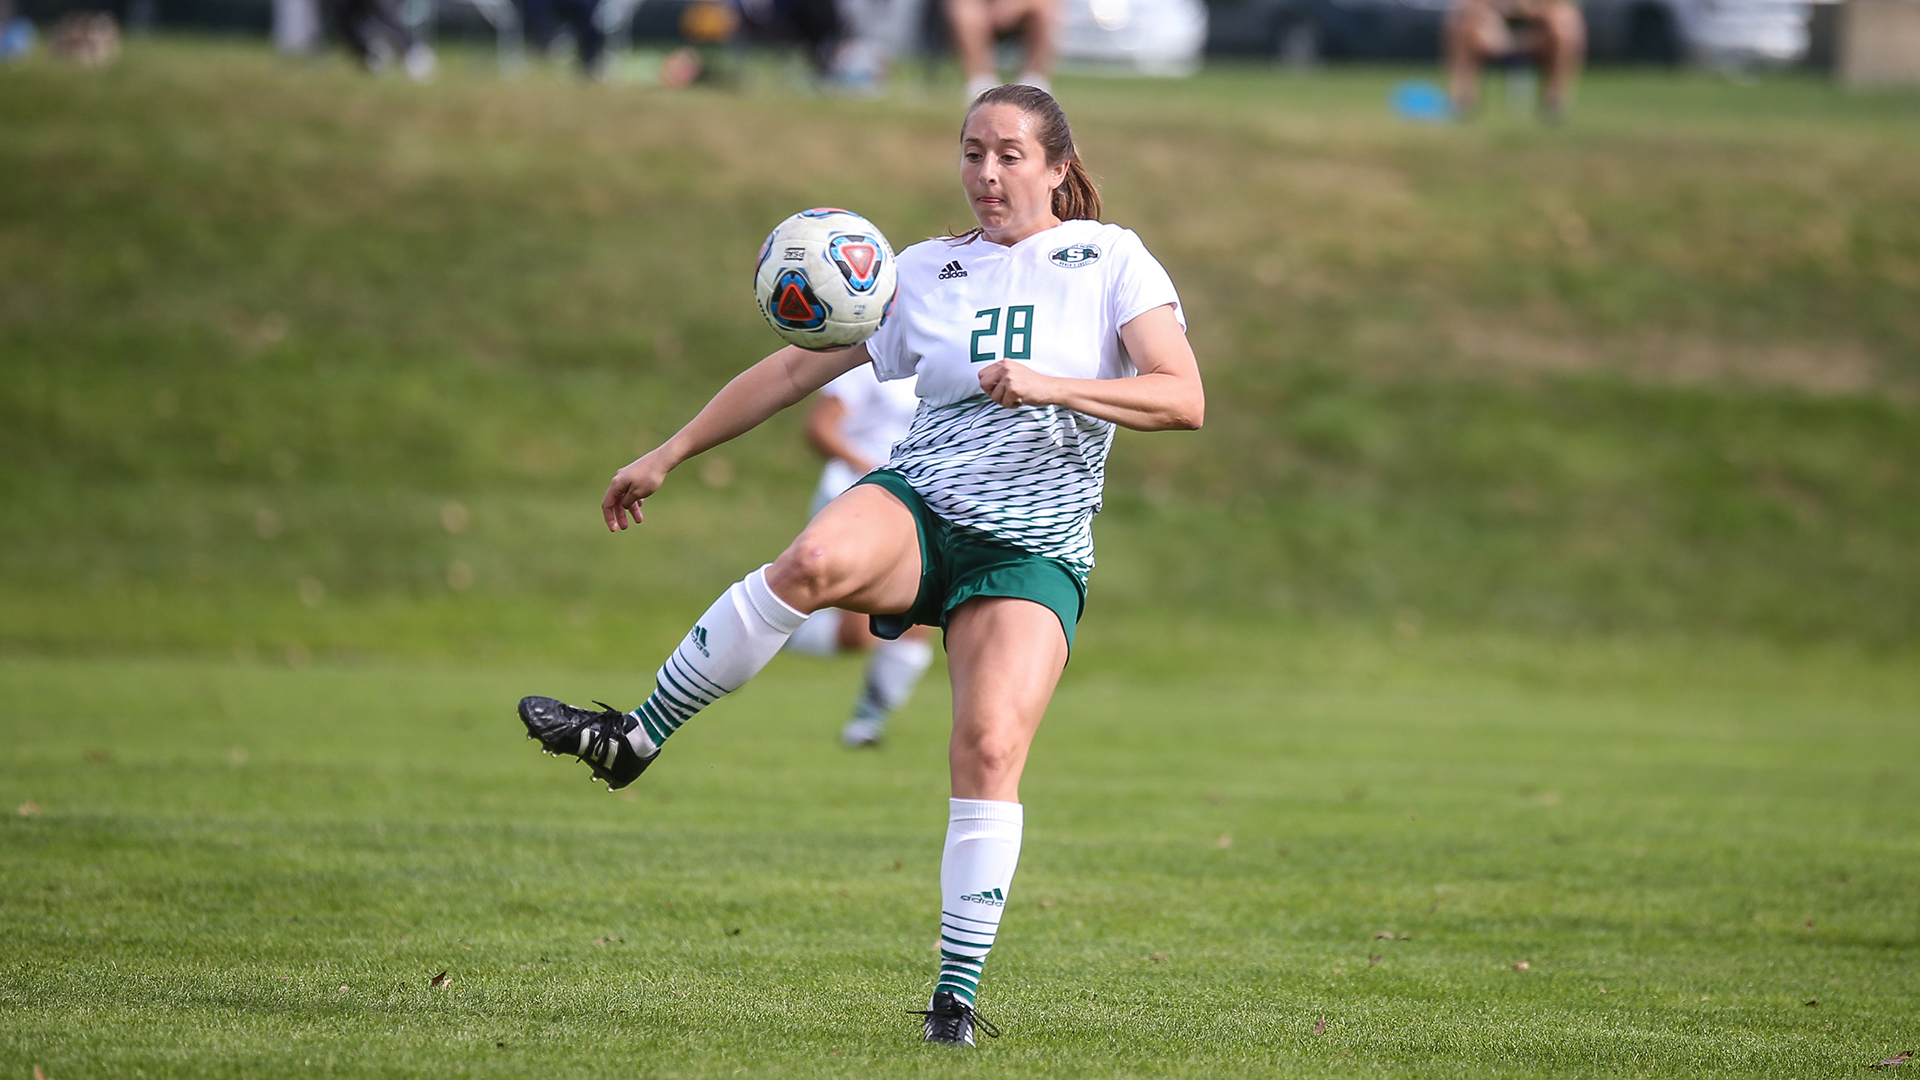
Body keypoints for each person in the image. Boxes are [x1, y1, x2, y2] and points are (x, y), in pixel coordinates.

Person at [516, 82, 1202, 1048]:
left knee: (990, 749)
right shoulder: (921, 270)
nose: (987, 174)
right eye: (971, 153)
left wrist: (1054, 386)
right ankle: (635, 738)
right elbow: (796, 368)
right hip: (923, 503)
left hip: (1034, 546)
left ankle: (953, 1001)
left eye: (1009, 154)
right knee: (813, 557)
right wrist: (667, 452)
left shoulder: (1110, 258)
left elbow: (1182, 396)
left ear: (1056, 167)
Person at [782, 364, 937, 748]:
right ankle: (753, 630)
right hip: (857, 498)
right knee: (857, 636)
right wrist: (873, 468)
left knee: (923, 616)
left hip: (922, 503)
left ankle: (867, 724)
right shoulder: (872, 359)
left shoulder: (950, 355)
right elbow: (819, 428)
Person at [1445, 0, 1584, 121]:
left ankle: (1554, 101)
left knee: (1566, 23)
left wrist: (1527, 10)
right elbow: (1469, 5)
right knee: (1461, 24)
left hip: (1536, 33)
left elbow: (1557, 6)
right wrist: (1493, 16)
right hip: (1490, 32)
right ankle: (1465, 100)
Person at [946, 0, 1059, 103]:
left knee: (1045, 8)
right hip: (980, 8)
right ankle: (981, 85)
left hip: (1021, 8)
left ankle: (1033, 86)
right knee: (965, 9)